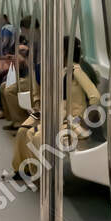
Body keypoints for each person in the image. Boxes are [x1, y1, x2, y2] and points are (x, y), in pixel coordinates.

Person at [10, 36, 102, 183]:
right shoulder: (60, 70)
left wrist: (85, 117)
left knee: (37, 136)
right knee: (23, 131)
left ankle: (41, 175)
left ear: (65, 51)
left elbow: (94, 96)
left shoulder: (75, 70)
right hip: (55, 113)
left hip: (74, 119)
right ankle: (25, 169)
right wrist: (39, 105)